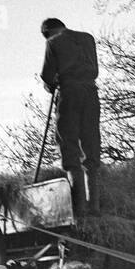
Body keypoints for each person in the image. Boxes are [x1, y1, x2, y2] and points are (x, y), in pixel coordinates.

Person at [40, 17, 101, 220]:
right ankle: (94, 206)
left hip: (70, 93)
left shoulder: (53, 42)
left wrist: (51, 85)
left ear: (47, 32)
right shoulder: (87, 38)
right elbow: (95, 70)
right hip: (91, 92)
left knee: (68, 143)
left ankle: (79, 208)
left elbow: (47, 76)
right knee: (90, 144)